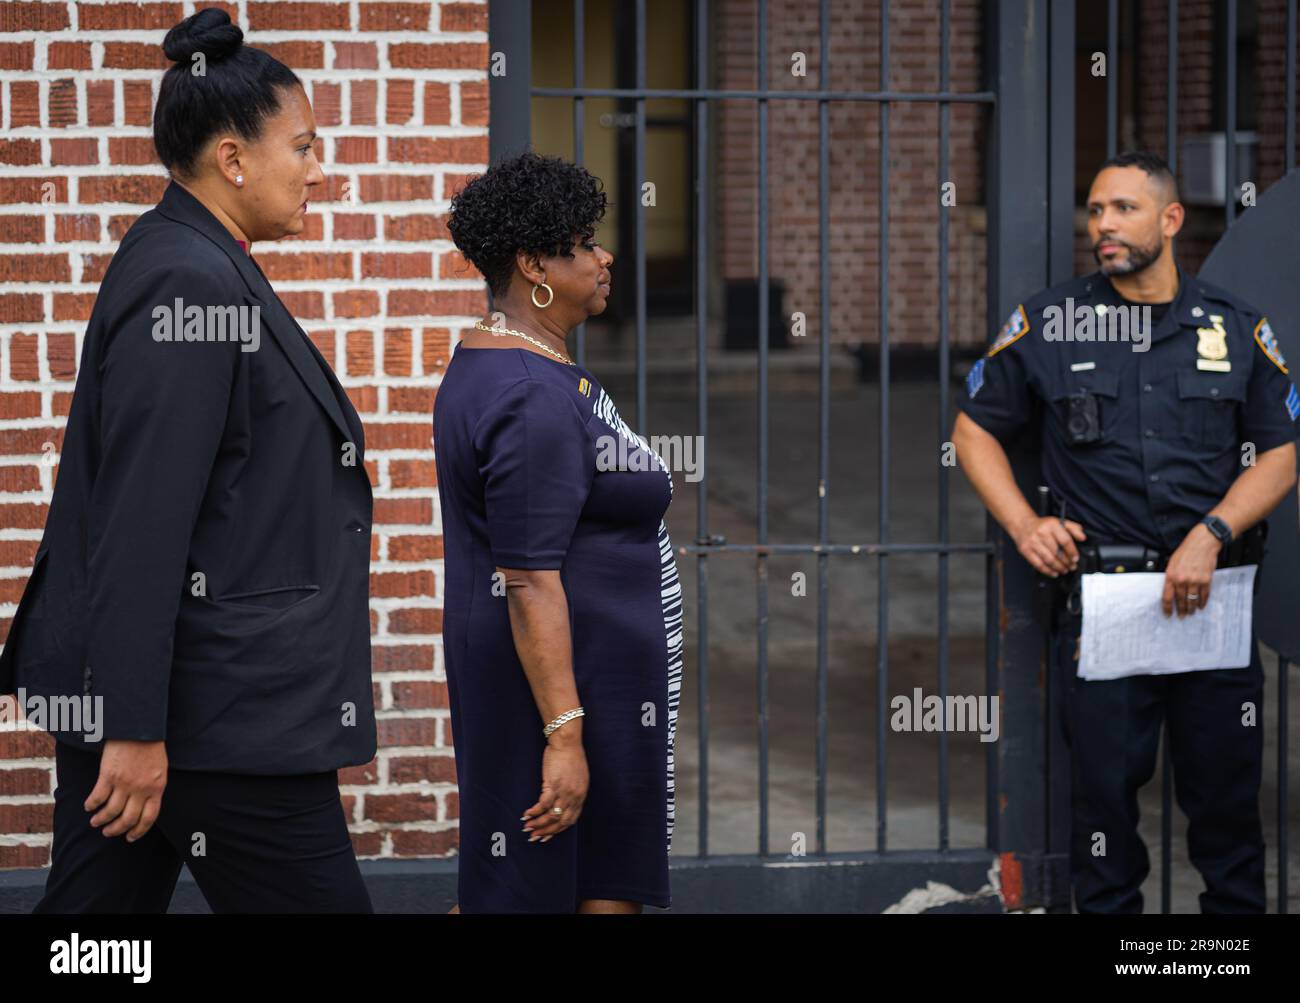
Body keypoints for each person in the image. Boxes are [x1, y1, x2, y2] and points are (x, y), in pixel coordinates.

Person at [0, 8, 376, 912]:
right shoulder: (189, 278)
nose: (319, 170)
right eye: (305, 146)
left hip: (178, 710)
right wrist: (132, 728)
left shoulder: (198, 258)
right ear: (233, 159)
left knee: (93, 937)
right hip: (213, 724)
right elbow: (140, 517)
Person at [952, 151, 1298, 913]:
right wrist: (1024, 522)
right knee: (1103, 814)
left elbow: (1281, 454)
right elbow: (974, 430)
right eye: (1097, 209)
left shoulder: (1235, 328)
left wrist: (1212, 531)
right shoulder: (1049, 323)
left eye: (1123, 209)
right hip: (1106, 609)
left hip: (1213, 606)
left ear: (1171, 220)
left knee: (1228, 807)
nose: (1103, 225)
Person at [435, 151, 684, 913]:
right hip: (555, 690)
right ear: (533, 263)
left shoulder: (519, 363)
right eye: (583, 244)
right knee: (536, 886)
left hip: (583, 682)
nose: (605, 256)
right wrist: (566, 734)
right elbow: (531, 576)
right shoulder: (527, 394)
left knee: (589, 878)